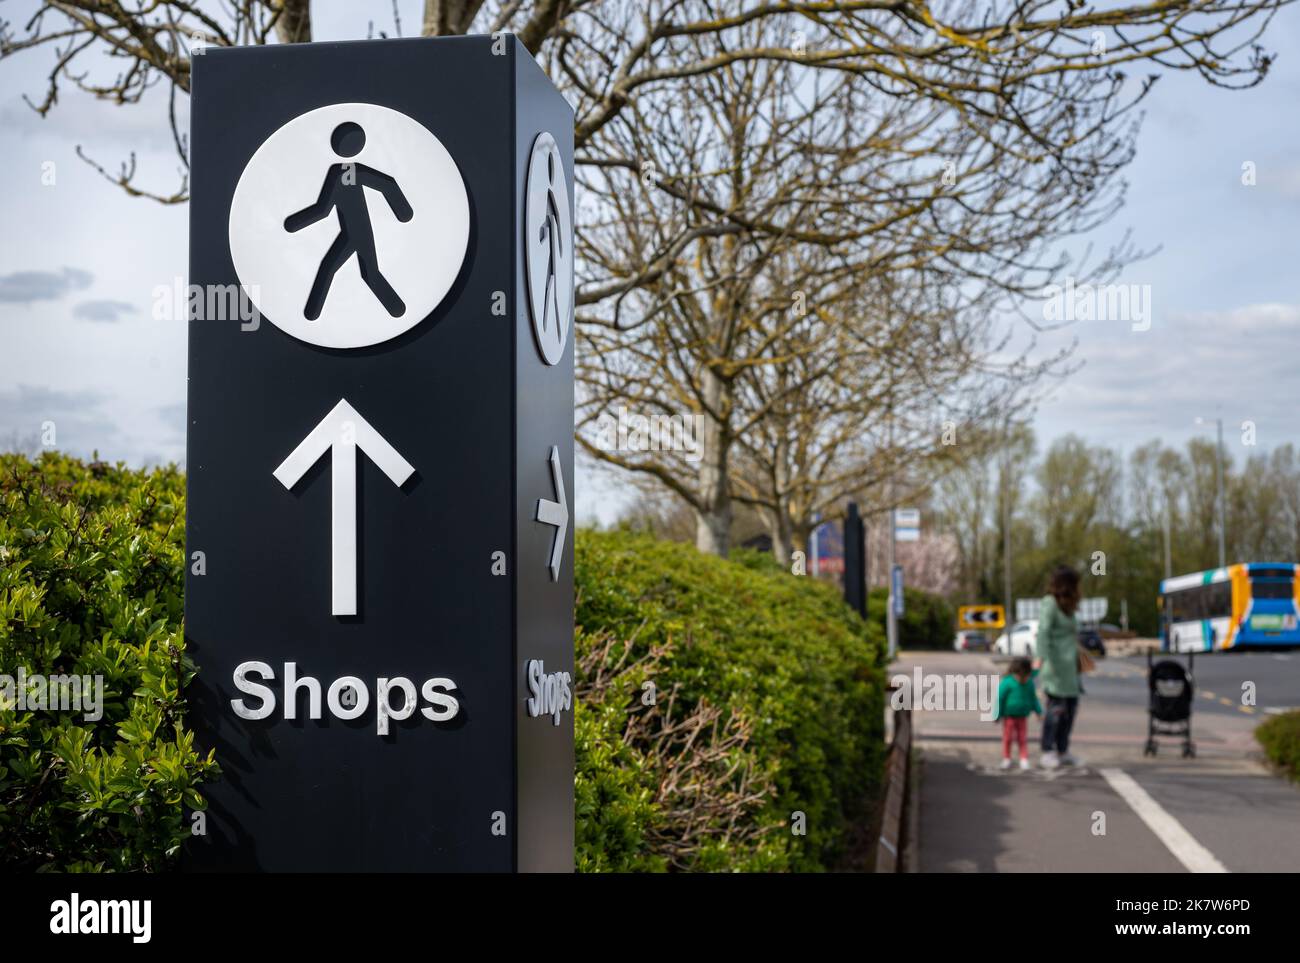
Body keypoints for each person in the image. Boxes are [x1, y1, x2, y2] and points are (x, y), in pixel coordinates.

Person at [284, 121, 414, 321]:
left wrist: (294, 223)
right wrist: (402, 211)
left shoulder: (344, 173)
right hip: (353, 233)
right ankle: (396, 310)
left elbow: (323, 210)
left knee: (358, 272)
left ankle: (397, 310)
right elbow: (387, 185)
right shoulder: (347, 173)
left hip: (359, 233)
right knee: (360, 272)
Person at [1035, 565, 1083, 768]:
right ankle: (1048, 750)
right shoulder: (1050, 603)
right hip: (1054, 665)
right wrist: (1041, 657)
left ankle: (1063, 750)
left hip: (1070, 667)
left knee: (1071, 709)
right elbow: (1043, 632)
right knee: (1056, 710)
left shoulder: (1069, 607)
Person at [992, 657, 1041, 770]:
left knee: (1022, 738)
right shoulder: (1007, 682)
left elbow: (1033, 698)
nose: (1023, 679)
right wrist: (996, 715)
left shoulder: (1029, 683)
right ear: (1015, 673)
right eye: (1021, 676)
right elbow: (999, 699)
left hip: (1022, 716)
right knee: (1008, 738)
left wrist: (1039, 712)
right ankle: (1007, 758)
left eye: (1026, 676)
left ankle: (1023, 758)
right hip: (1009, 716)